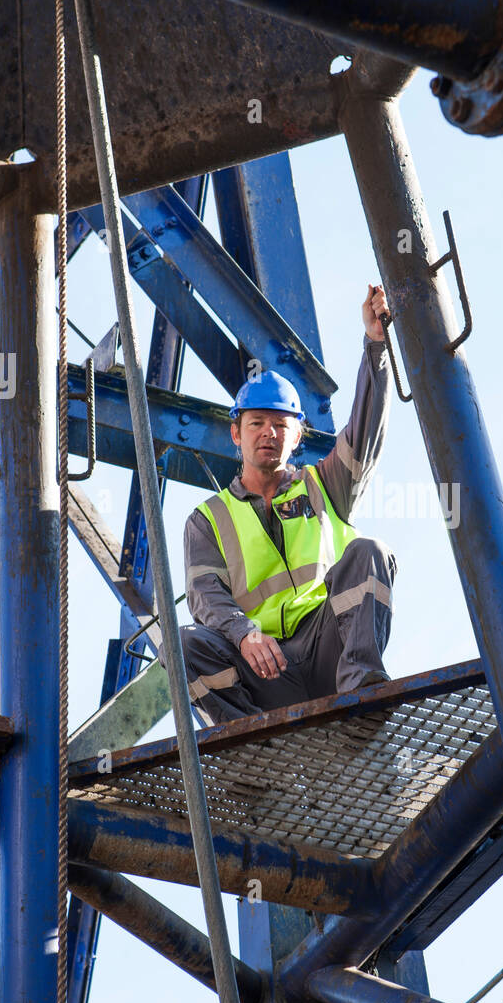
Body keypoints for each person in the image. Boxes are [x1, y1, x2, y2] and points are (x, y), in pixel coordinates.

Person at [179, 284, 396, 726]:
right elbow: (206, 598)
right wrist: (244, 635)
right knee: (184, 643)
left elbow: (366, 433)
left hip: (329, 651)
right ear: (236, 433)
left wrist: (376, 347)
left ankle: (361, 700)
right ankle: (250, 748)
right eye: (256, 423)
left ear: (298, 436)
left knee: (370, 552)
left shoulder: (325, 485)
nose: (268, 433)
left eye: (280, 424)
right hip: (266, 667)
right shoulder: (209, 520)